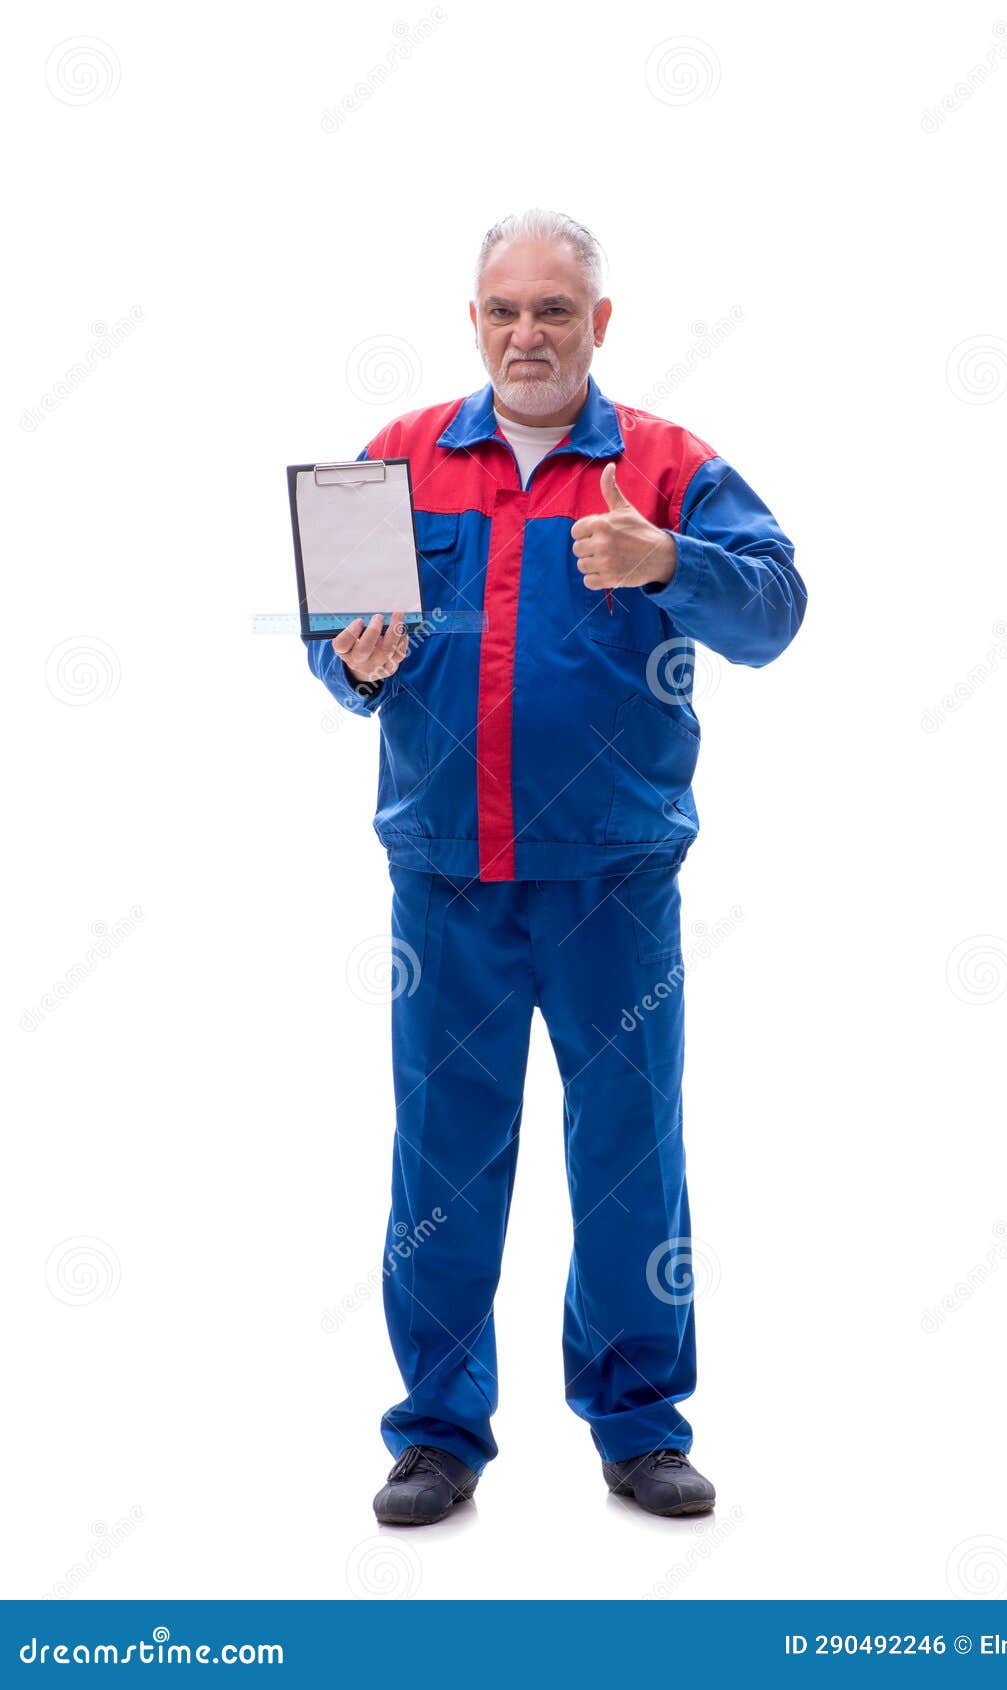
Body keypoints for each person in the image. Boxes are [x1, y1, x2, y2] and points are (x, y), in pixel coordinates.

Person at [306, 208, 806, 1525]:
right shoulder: (397, 457)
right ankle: (436, 1432)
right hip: (447, 880)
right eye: (505, 310)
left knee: (632, 1153)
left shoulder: (666, 463)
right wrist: (347, 661)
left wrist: (670, 560)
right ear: (473, 321)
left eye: (556, 311)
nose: (529, 333)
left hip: (614, 881)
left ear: (600, 324)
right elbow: (333, 637)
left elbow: (776, 607)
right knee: (445, 1160)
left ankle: (641, 1423)